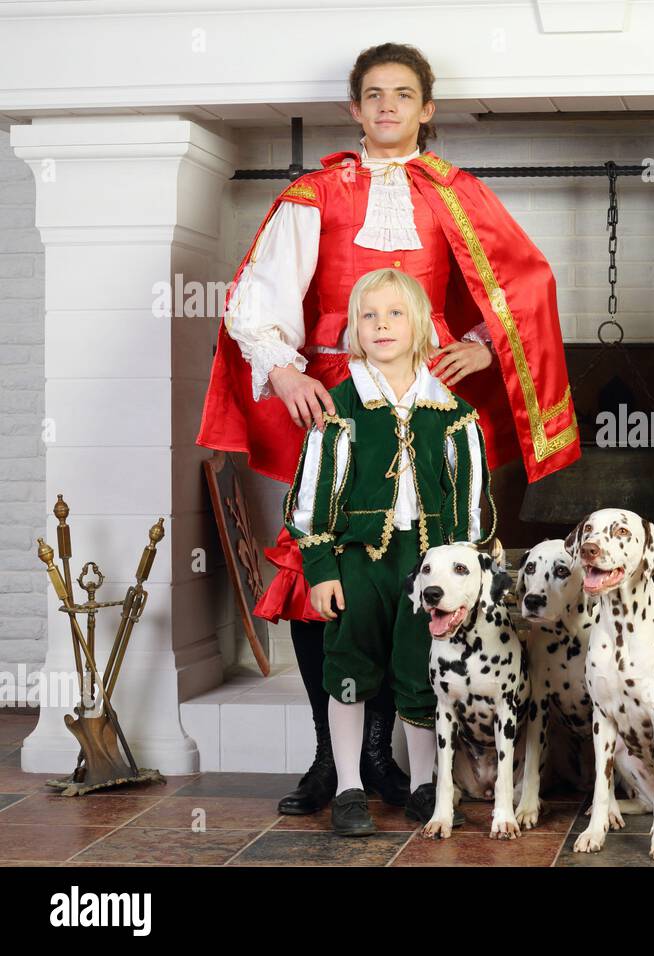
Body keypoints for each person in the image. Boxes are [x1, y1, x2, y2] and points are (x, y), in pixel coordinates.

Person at [196, 42, 577, 817]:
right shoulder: (317, 192)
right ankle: (328, 756)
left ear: (426, 108)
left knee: (417, 562)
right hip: (339, 397)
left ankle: (384, 756)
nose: (388, 107)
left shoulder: (455, 192)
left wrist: (483, 343)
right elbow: (259, 294)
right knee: (325, 571)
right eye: (373, 95)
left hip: (426, 388)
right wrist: (284, 371)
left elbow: (526, 281)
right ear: (355, 107)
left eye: (403, 95)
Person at [285, 267, 493, 836]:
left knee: (422, 668)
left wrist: (464, 579)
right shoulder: (337, 411)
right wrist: (323, 570)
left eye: (394, 314)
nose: (381, 325)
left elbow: (471, 510)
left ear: (421, 325)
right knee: (349, 665)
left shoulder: (454, 417)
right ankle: (349, 785)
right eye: (369, 316)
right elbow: (311, 502)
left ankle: (427, 783)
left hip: (425, 566)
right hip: (359, 564)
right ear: (354, 328)